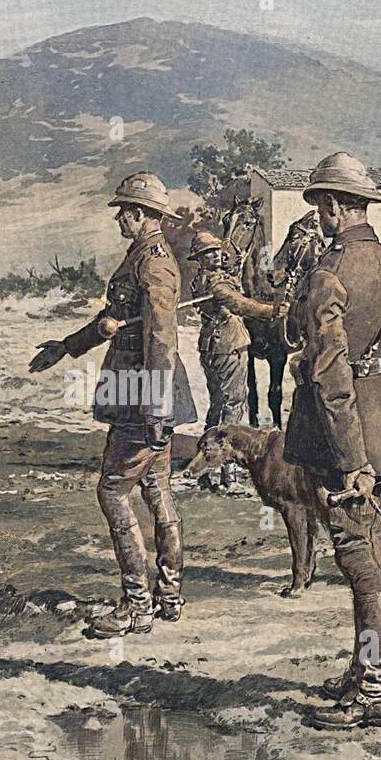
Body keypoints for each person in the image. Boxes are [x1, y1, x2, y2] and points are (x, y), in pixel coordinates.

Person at [28, 172, 197, 638]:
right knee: (158, 491)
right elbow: (118, 320)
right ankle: (168, 597)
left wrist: (157, 408)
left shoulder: (154, 263)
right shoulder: (145, 256)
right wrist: (67, 345)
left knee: (113, 491)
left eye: (124, 211)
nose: (119, 218)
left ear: (140, 215)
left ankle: (136, 605)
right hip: (141, 389)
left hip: (140, 391)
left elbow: (161, 337)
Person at [282, 153, 381, 728]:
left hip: (348, 435)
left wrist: (353, 458)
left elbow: (332, 376)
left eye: (320, 206)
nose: (319, 216)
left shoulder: (330, 271)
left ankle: (378, 690)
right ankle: (367, 671)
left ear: (334, 206)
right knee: (371, 549)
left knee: (359, 556)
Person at [187, 229, 287, 490]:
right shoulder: (217, 284)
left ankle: (206, 470)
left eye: (218, 250)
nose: (218, 255)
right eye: (209, 253)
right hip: (229, 346)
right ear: (200, 258)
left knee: (217, 406)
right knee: (233, 409)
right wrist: (273, 311)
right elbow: (239, 304)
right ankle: (227, 474)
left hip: (211, 346)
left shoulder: (201, 280)